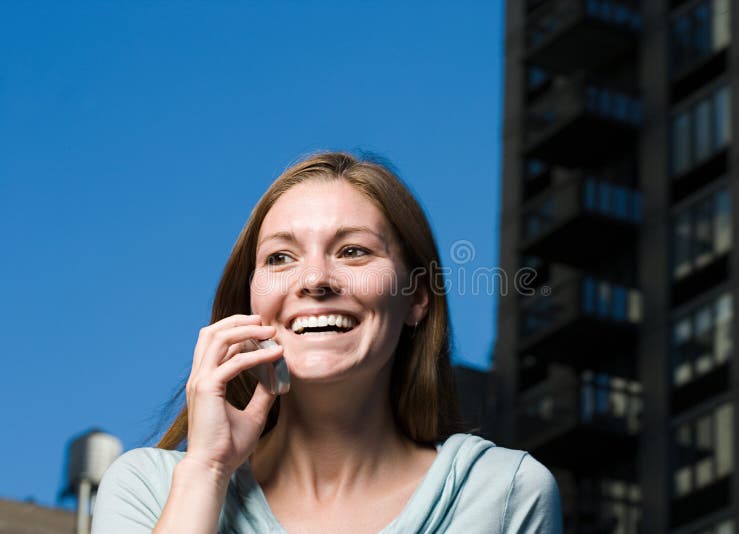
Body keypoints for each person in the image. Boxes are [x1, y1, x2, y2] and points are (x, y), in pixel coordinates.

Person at [92, 151, 562, 533]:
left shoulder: (504, 493)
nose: (315, 279)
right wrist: (207, 471)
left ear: (417, 296)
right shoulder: (147, 489)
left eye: (353, 251)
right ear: (250, 302)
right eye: (280, 257)